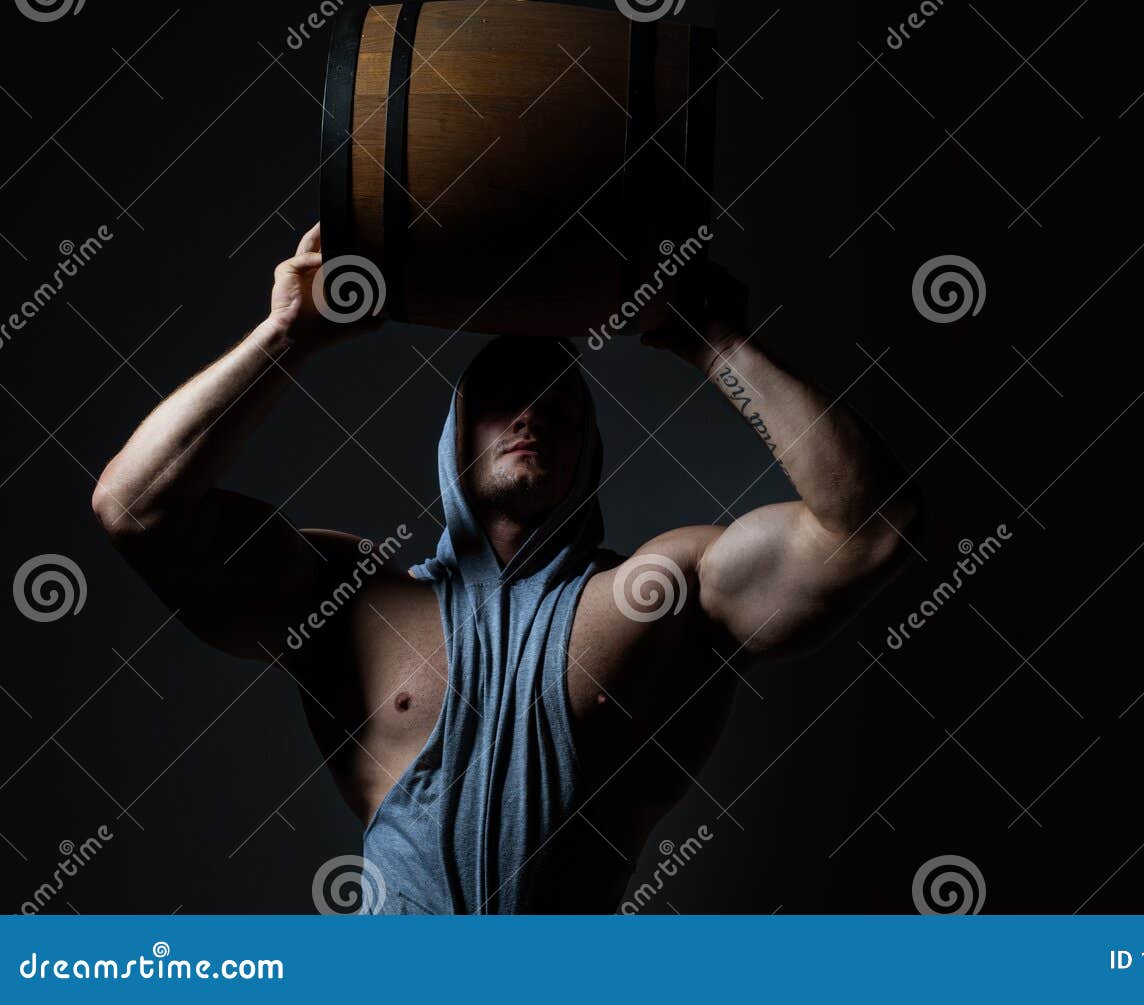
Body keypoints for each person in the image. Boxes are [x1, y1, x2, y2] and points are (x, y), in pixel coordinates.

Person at [90, 223, 921, 912]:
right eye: (501, 399)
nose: (530, 415)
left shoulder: (664, 591)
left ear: (590, 453)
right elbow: (135, 508)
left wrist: (720, 345)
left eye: (559, 406)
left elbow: (873, 528)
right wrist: (286, 337)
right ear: (453, 436)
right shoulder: (352, 598)